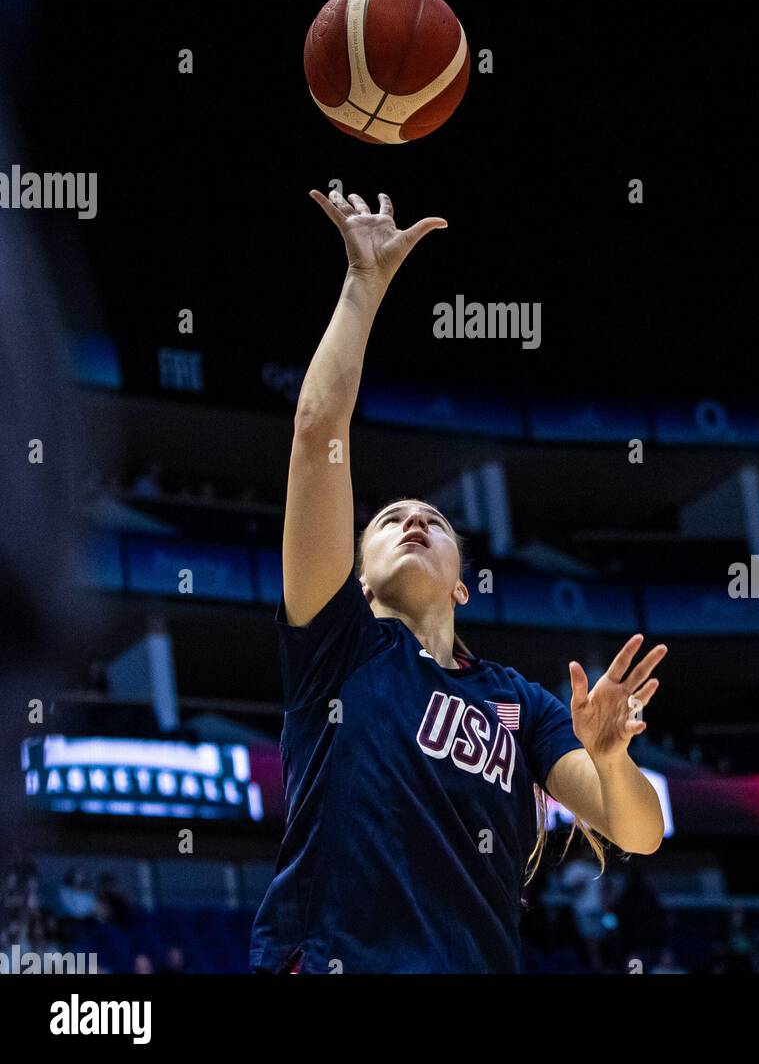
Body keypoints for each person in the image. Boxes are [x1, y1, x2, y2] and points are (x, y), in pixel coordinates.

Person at [250, 189, 668, 974]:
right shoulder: (336, 645)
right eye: (388, 521)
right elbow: (315, 434)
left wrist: (611, 759)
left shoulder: (519, 703)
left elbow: (638, 832)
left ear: (462, 586)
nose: (412, 522)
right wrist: (363, 286)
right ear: (360, 577)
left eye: (433, 521)